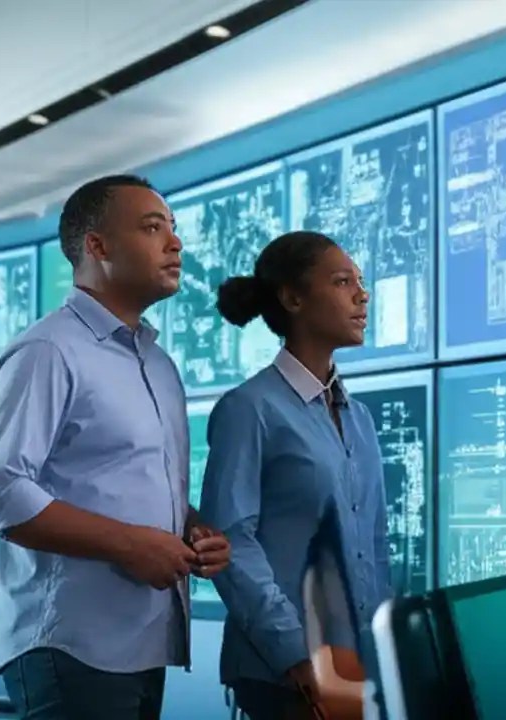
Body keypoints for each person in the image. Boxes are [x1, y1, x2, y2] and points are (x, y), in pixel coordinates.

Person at [0, 174, 231, 720]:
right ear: (97, 246)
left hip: (144, 641)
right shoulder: (47, 351)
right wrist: (131, 545)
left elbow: (127, 483)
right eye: (152, 227)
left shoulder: (157, 365)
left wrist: (192, 529)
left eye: (173, 229)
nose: (175, 243)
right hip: (72, 645)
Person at [200, 230, 392, 720]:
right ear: (293, 298)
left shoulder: (359, 419)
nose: (362, 294)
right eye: (343, 281)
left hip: (354, 668)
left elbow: (373, 543)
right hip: (283, 673)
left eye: (361, 282)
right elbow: (231, 543)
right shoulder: (249, 409)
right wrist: (294, 653)